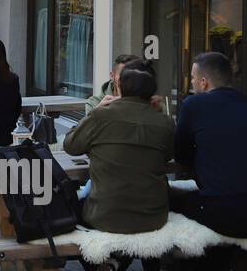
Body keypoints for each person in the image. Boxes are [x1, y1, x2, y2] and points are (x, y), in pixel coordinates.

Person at [170, 52, 247, 238]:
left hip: (226, 214)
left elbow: (181, 155)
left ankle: (207, 266)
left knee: (167, 198)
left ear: (203, 82)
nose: (191, 83)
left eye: (192, 78)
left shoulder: (194, 104)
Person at [63, 62, 175, 233]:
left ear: (119, 86)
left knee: (69, 204)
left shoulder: (101, 116)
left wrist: (96, 110)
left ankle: (101, 259)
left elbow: (70, 145)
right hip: (153, 218)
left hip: (103, 217)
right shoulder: (165, 122)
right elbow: (167, 155)